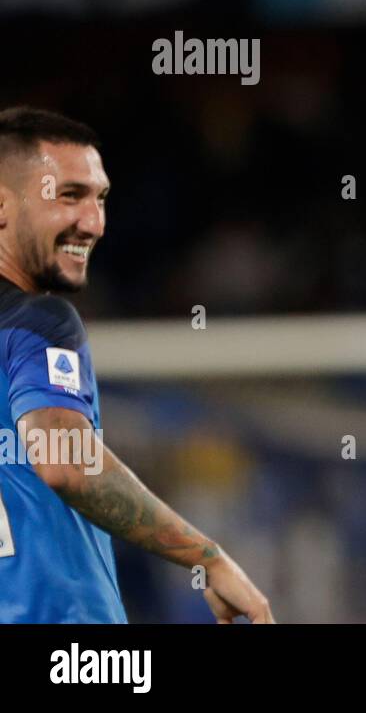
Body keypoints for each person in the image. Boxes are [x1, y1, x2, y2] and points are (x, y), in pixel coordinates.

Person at [0, 107, 273, 624]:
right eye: (69, 195)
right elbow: (66, 463)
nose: (95, 223)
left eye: (100, 198)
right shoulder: (39, 322)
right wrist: (206, 558)